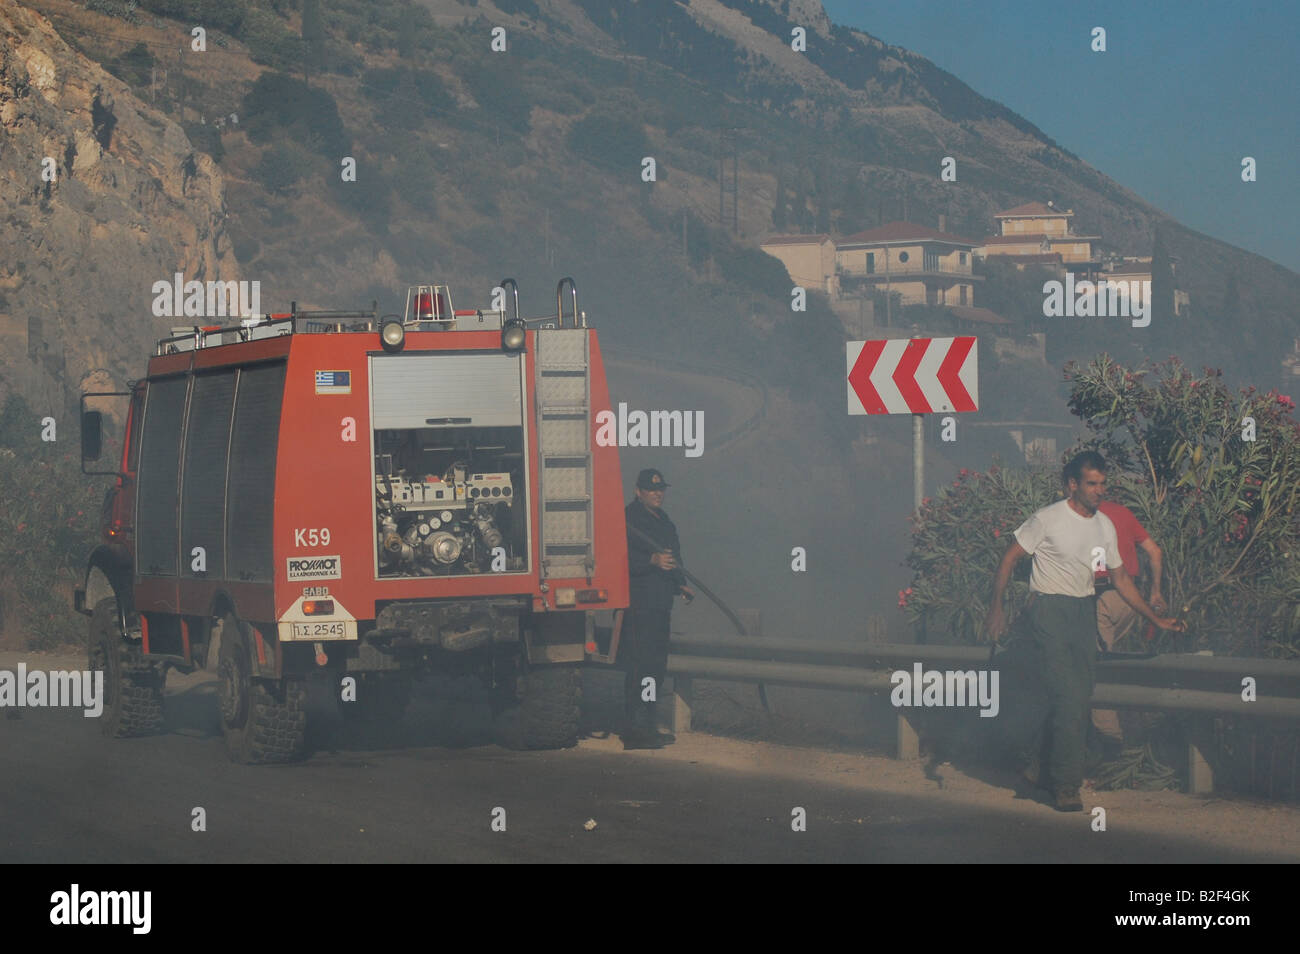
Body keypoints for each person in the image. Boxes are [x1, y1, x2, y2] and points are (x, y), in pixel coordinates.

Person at [985, 451, 1183, 811]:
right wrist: (996, 608)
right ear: (1072, 485)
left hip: (1082, 610)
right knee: (1070, 696)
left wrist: (1155, 619)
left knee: (1078, 694)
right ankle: (1066, 785)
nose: (1099, 490)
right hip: (1048, 610)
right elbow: (1010, 557)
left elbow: (1120, 578)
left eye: (1103, 484)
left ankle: (1036, 766)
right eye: (1092, 483)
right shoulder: (1047, 518)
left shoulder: (1103, 526)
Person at [622, 468, 695, 749]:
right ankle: (633, 730)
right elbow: (618, 559)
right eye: (651, 489)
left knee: (656, 667)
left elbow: (674, 556)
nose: (657, 493)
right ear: (638, 491)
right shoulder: (627, 519)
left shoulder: (665, 522)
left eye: (661, 488)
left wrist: (681, 583)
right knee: (640, 666)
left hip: (661, 603)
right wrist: (650, 560)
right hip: (639, 605)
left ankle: (649, 726)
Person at [1092, 499, 1166, 744]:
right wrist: (1155, 592)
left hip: (1102, 596)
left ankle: (1111, 744)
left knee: (1095, 671)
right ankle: (1135, 731)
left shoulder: (1083, 515)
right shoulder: (1123, 513)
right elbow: (1155, 551)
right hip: (1130, 601)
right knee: (1109, 663)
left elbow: (1092, 566)